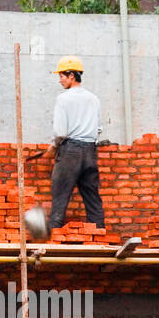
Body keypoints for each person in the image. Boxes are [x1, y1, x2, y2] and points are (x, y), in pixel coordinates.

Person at [47, 55, 103, 232]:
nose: (60, 80)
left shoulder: (63, 99)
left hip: (70, 151)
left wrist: (53, 146)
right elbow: (98, 128)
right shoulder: (93, 99)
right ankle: (99, 234)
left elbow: (60, 132)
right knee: (92, 197)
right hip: (90, 150)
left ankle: (52, 239)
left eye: (62, 76)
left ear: (72, 75)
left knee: (60, 195)